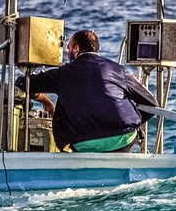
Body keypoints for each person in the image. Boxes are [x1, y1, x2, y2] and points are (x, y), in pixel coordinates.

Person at [22, 29, 156, 152]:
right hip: (122, 138)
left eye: (68, 48)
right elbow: (151, 102)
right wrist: (131, 123)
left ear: (76, 49)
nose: (68, 53)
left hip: (84, 142)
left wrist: (46, 102)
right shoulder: (118, 70)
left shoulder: (63, 74)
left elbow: (23, 83)